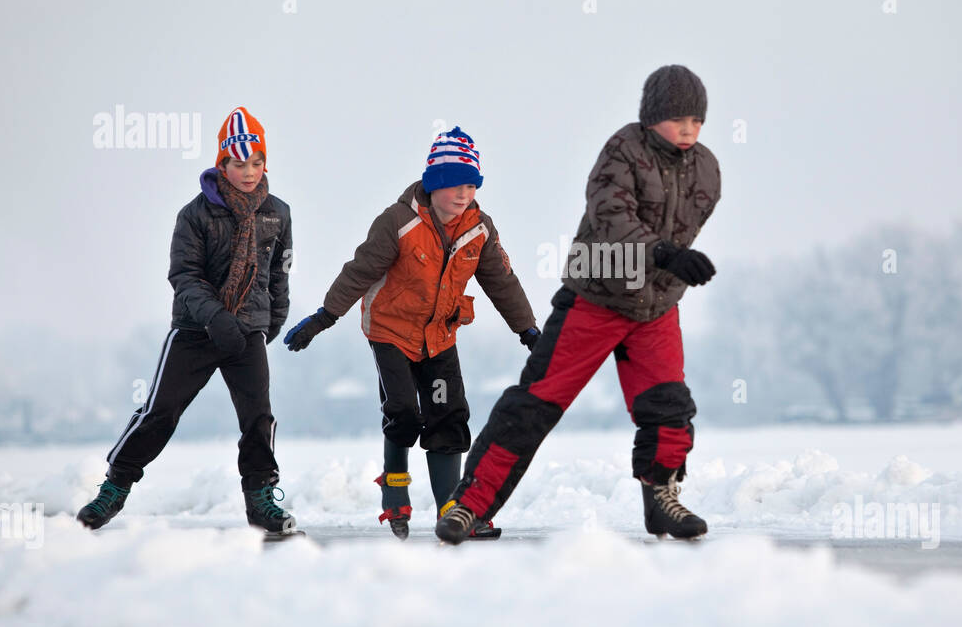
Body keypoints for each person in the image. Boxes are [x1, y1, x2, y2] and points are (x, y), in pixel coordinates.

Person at [436, 66, 721, 544]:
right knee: (535, 405)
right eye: (678, 119)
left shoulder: (707, 167)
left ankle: (662, 497)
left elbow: (687, 227)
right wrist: (666, 254)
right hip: (596, 299)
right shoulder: (622, 151)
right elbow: (611, 216)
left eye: (697, 120)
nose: (689, 129)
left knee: (669, 407)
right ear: (651, 118)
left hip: (654, 309)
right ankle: (470, 505)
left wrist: (677, 264)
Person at [285, 127, 538, 539]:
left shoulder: (479, 228)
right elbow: (359, 272)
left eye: (471, 186)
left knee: (448, 414)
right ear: (433, 183)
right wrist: (323, 317)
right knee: (403, 410)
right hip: (391, 332)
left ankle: (452, 510)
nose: (463, 195)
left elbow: (502, 282)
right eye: (454, 185)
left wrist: (527, 330)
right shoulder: (397, 222)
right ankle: (395, 487)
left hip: (439, 336)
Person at [76, 106, 296, 533]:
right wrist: (215, 317)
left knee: (258, 418)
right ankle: (115, 487)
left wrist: (272, 320)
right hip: (196, 330)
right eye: (238, 162)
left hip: (248, 330)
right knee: (160, 412)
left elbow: (279, 272)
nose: (248, 171)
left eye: (257, 162)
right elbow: (184, 276)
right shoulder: (194, 215)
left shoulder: (277, 213)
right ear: (222, 163)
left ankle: (261, 498)